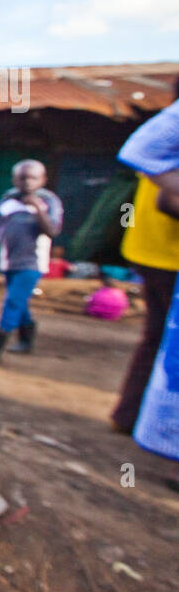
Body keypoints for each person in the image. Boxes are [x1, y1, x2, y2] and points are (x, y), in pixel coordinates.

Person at [115, 93, 179, 490]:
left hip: (149, 251)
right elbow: (166, 199)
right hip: (165, 255)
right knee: (159, 340)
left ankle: (130, 416)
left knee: (154, 339)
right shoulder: (166, 138)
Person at [0, 161, 64, 363]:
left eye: (33, 178)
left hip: (32, 264)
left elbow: (52, 231)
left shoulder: (49, 201)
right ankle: (27, 338)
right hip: (7, 262)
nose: (27, 182)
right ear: (14, 179)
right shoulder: (6, 201)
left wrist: (36, 208)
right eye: (22, 177)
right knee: (19, 302)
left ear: (43, 180)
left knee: (12, 302)